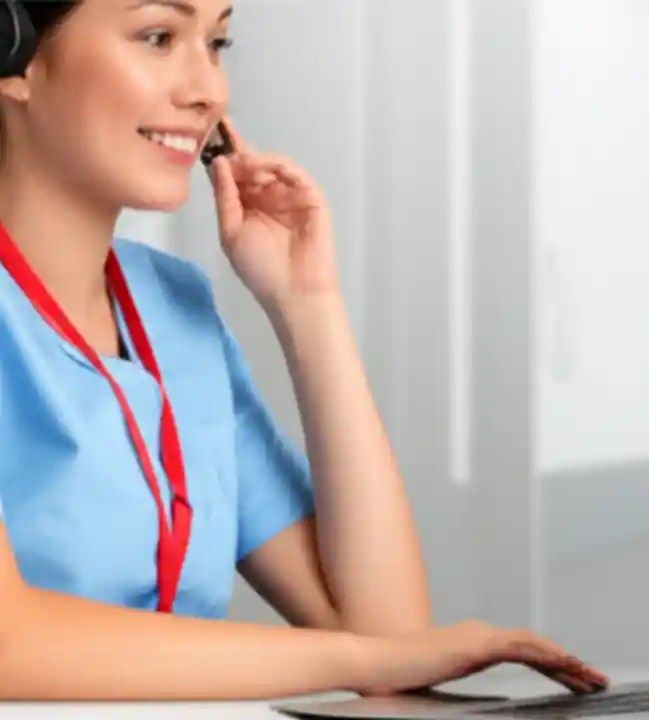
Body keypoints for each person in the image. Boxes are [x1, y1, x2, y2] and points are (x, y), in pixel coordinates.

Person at [0, 0, 609, 701]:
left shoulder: (173, 310)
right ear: (14, 53)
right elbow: (9, 643)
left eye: (218, 43)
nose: (209, 90)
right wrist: (359, 662)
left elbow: (388, 633)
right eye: (159, 36)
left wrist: (308, 304)